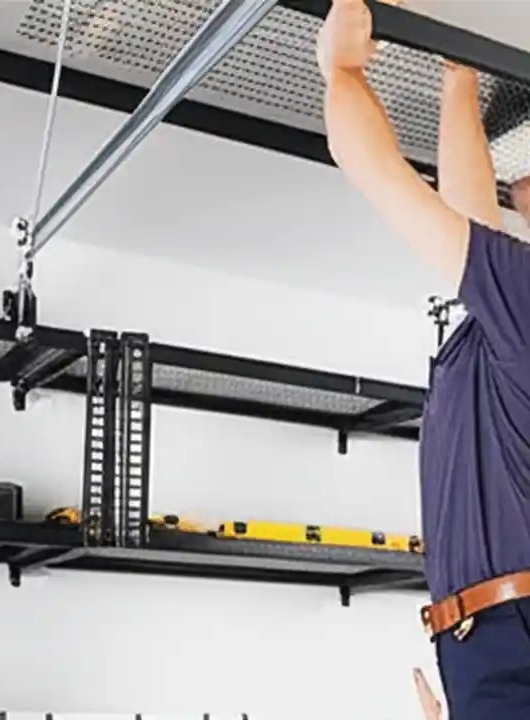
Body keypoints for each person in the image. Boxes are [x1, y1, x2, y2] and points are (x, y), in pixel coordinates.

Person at [319, 1, 530, 716]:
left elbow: (465, 226)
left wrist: (457, 72)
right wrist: (340, 70)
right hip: (503, 637)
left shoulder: (513, 308)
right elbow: (378, 173)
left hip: (490, 637)